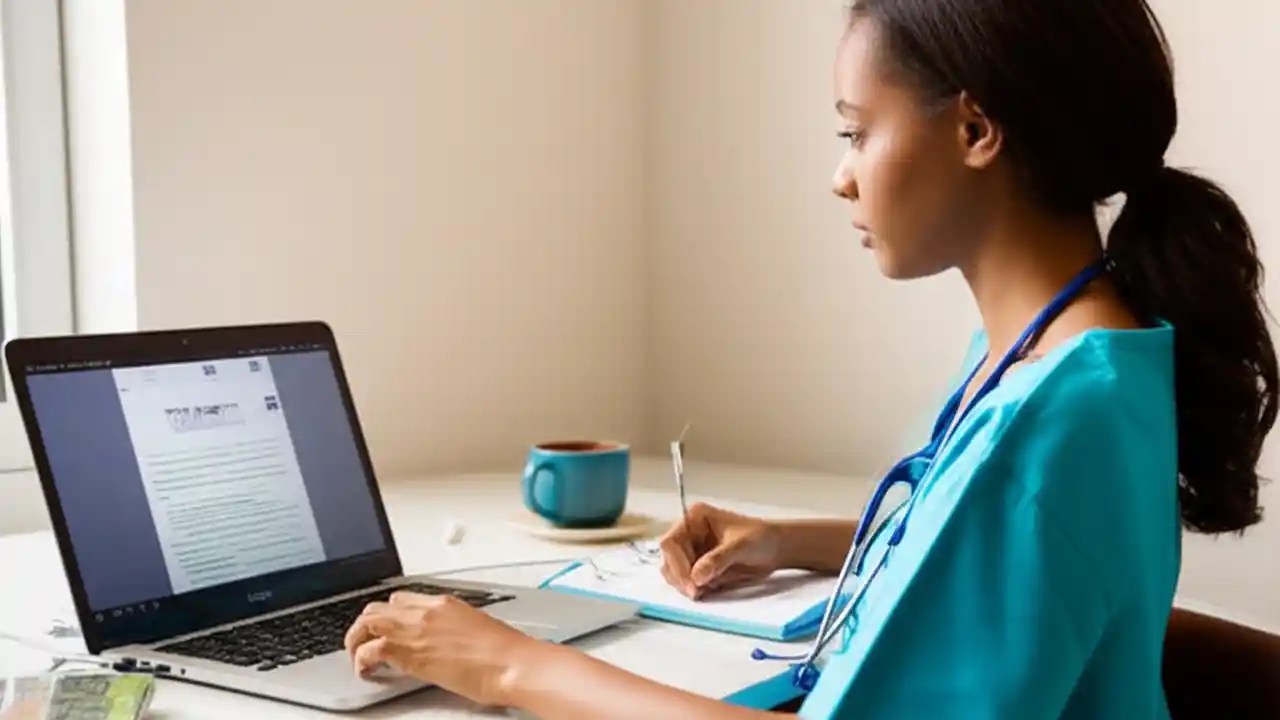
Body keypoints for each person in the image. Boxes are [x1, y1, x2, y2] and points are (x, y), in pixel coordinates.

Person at [342, 1, 1277, 717]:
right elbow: (1002, 543)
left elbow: (1009, 506)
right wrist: (791, 539)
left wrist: (506, 661)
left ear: (975, 130)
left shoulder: (1046, 417)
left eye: (857, 131)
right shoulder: (1085, 348)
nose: (843, 174)